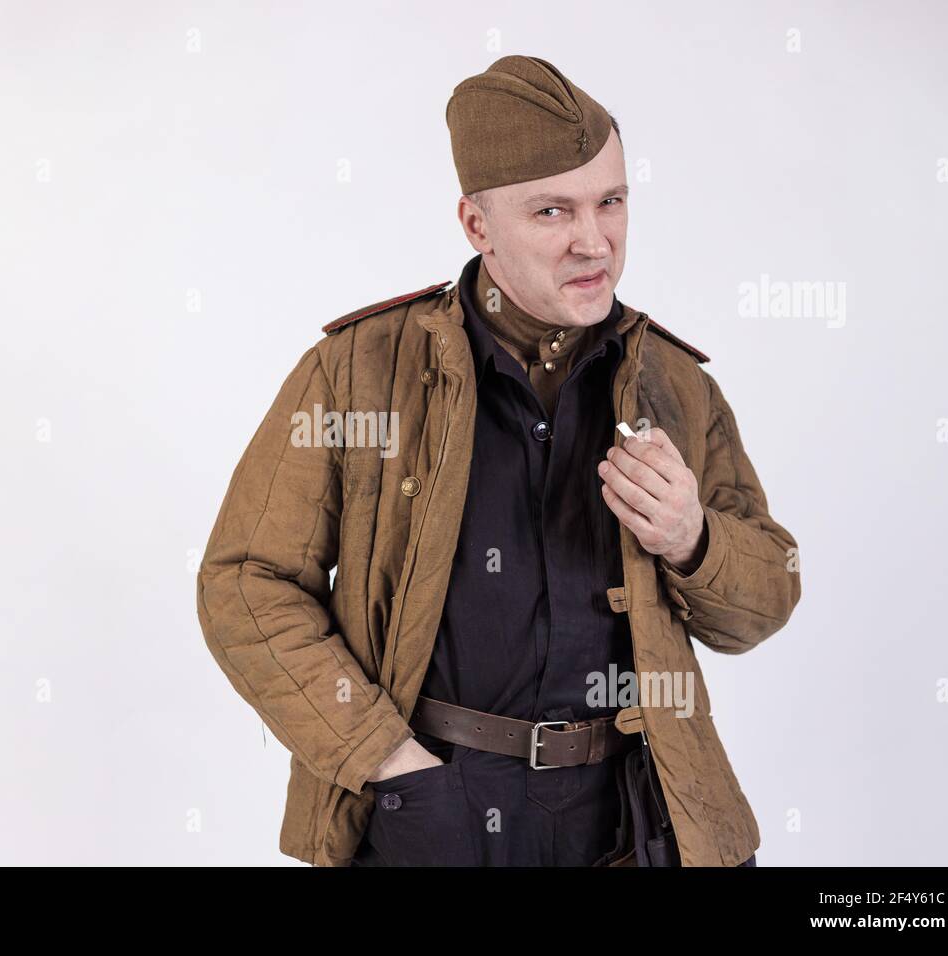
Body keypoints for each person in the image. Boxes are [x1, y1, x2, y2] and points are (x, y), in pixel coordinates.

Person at [196, 55, 799, 866]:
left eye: (611, 202)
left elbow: (764, 600)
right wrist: (389, 765)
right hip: (433, 811)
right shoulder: (359, 370)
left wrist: (694, 539)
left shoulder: (675, 384)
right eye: (552, 212)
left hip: (633, 820)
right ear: (477, 226)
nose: (595, 241)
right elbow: (245, 581)